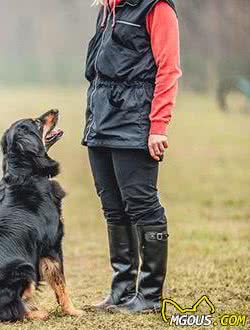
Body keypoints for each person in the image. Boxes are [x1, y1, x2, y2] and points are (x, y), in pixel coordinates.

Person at [82, 0, 181, 313]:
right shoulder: (107, 9)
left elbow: (169, 70)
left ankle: (150, 296)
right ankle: (122, 291)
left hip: (135, 124)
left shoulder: (157, 9)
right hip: (100, 121)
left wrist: (158, 126)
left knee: (142, 206)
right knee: (113, 209)